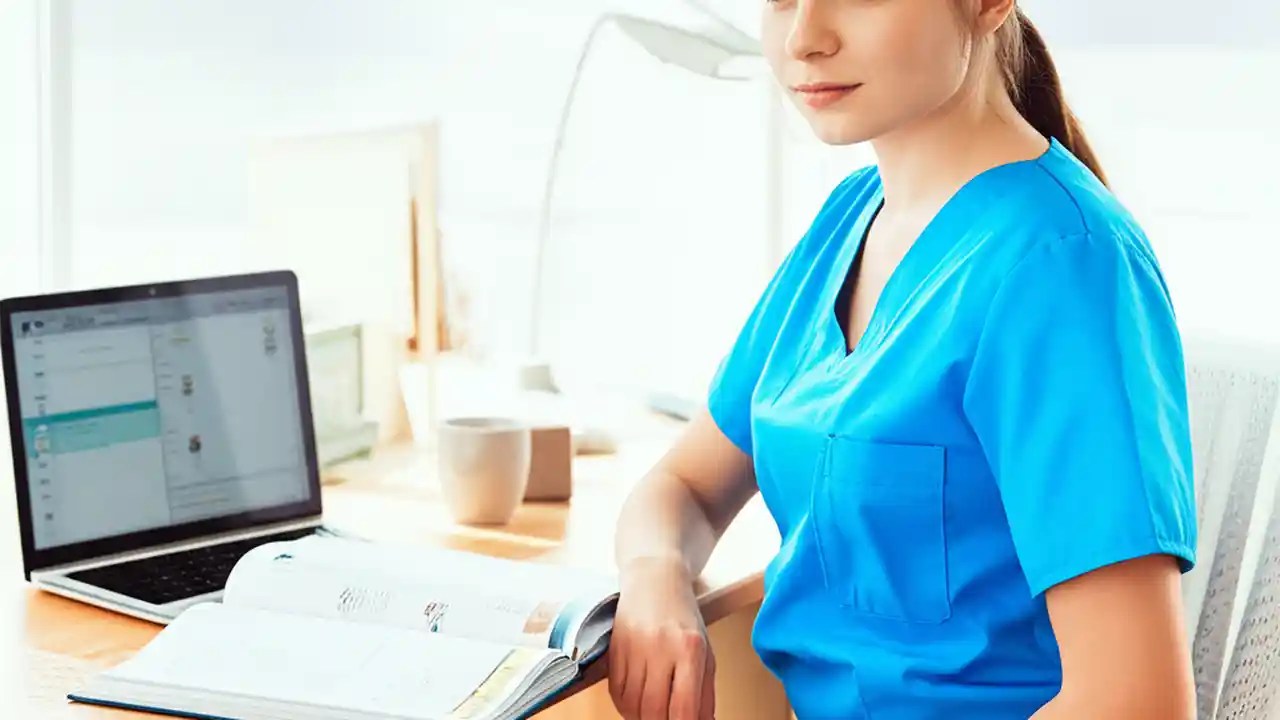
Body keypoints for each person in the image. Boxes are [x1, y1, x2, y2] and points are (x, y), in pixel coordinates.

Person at [609, 1, 1198, 718]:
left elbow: (1135, 702)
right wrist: (656, 576)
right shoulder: (847, 221)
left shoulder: (1062, 268)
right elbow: (684, 487)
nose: (805, 37)